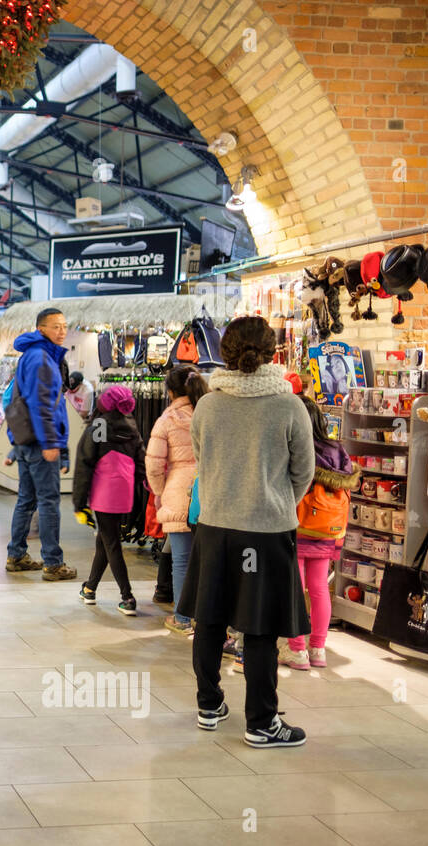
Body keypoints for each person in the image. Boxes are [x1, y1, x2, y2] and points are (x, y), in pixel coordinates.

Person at [179, 314, 314, 749]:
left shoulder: (208, 404)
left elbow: (203, 460)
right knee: (260, 628)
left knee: (210, 619)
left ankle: (208, 704)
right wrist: (273, 500)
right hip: (267, 532)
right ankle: (261, 723)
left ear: (226, 352)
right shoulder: (288, 404)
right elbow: (303, 472)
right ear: (271, 351)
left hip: (215, 527)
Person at [283, 386, 358, 669]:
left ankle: (297, 649)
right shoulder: (337, 449)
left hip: (299, 523)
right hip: (329, 527)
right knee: (318, 588)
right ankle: (318, 649)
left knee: (295, 587)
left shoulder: (297, 448)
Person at [5, 308, 77, 581]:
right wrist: (50, 442)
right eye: (55, 326)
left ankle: (17, 555)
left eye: (64, 325)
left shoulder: (34, 355)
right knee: (48, 502)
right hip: (39, 443)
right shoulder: (41, 359)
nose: (62, 331)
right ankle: (53, 563)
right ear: (41, 329)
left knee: (27, 499)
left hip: (26, 441)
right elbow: (41, 405)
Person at [146, 364, 208, 637]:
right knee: (209, 561)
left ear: (170, 392)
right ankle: (210, 619)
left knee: (181, 561)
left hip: (179, 491)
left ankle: (183, 618)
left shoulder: (167, 420)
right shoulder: (211, 413)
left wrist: (159, 492)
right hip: (210, 490)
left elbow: (154, 465)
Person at [73, 385, 146, 616]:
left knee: (111, 542)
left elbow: (85, 463)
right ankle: (90, 588)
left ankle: (127, 596)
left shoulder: (100, 425)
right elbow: (141, 459)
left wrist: (79, 502)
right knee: (105, 540)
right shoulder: (131, 425)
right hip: (125, 492)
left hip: (104, 492)